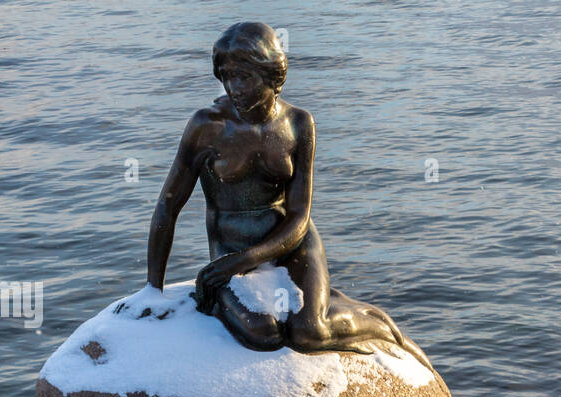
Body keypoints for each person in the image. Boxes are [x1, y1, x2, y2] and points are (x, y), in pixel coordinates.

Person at [144, 21, 427, 366]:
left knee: (311, 333)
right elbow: (168, 206)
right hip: (231, 248)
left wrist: (247, 259)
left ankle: (380, 325)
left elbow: (299, 216)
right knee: (263, 335)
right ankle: (264, 299)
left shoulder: (298, 124)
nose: (234, 87)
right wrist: (152, 290)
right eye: (227, 76)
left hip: (291, 245)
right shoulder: (207, 127)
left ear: (271, 75)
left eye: (244, 77)